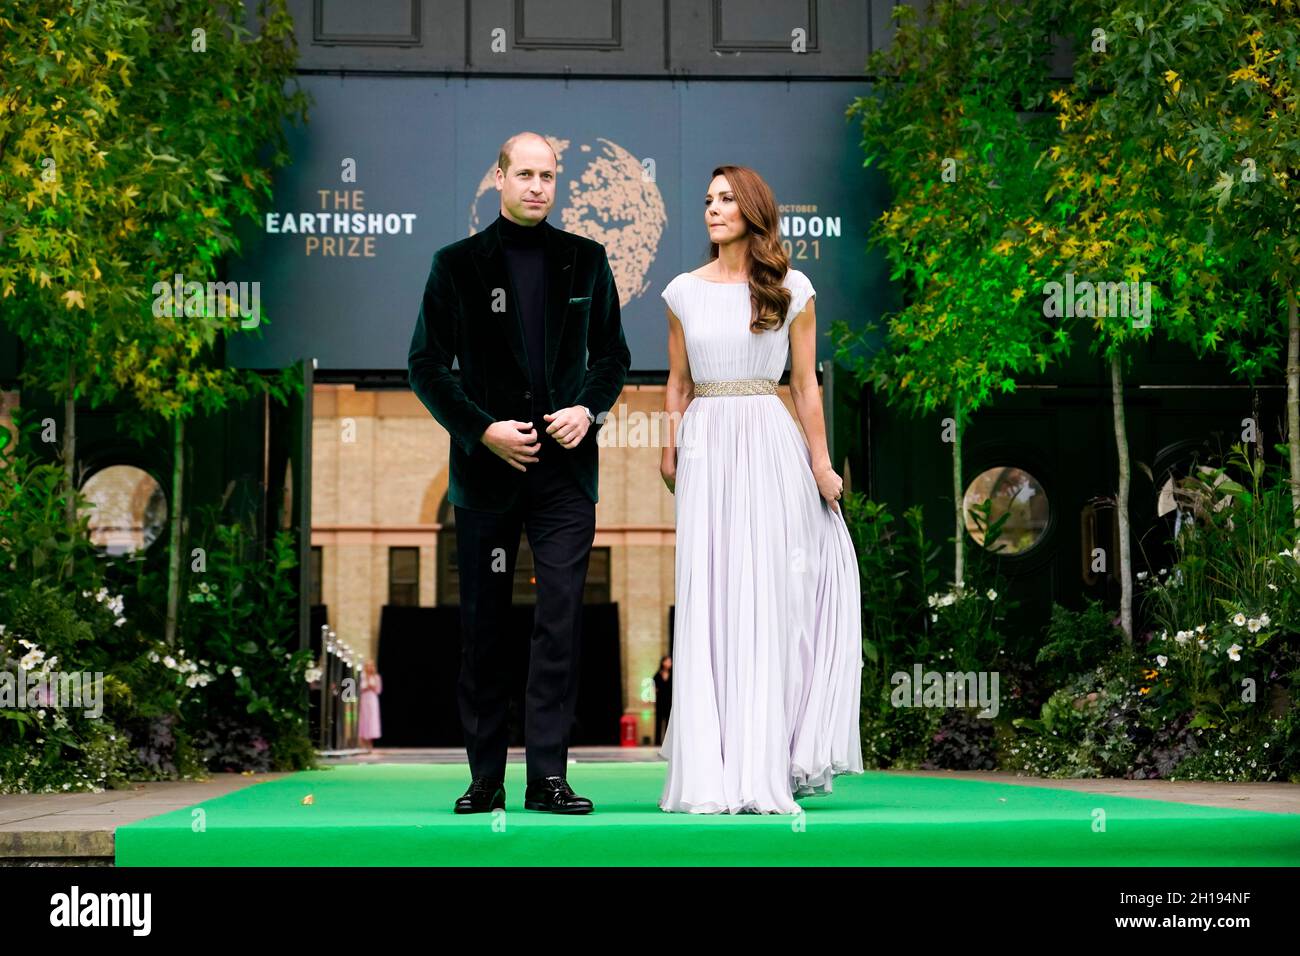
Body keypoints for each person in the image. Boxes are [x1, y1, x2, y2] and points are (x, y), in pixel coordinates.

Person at [408, 131, 631, 815]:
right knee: (484, 628)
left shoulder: (588, 262)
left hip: (566, 478)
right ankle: (485, 780)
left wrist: (587, 411)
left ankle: (548, 779)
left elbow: (612, 358)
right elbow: (424, 365)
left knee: (558, 623)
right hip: (486, 475)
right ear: (499, 178)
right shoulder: (456, 266)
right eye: (525, 173)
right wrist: (483, 429)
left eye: (548, 175)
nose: (537, 186)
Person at [657, 164, 866, 814]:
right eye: (707, 200)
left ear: (752, 209)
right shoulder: (681, 292)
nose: (712, 209)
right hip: (707, 447)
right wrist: (670, 445)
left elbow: (805, 386)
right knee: (711, 595)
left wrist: (822, 464)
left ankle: (769, 760)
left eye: (725, 199)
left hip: (770, 444)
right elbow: (678, 383)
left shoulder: (792, 288)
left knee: (774, 596)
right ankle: (712, 770)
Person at [358, 659, 382, 752]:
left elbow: (378, 690)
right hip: (364, 698)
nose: (369, 667)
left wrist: (372, 687)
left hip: (372, 699)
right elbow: (358, 688)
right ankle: (362, 742)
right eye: (367, 665)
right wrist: (366, 686)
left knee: (372, 719)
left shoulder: (376, 677)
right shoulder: (362, 676)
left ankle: (370, 743)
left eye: (371, 665)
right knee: (364, 718)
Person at [653, 655, 672, 745]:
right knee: (659, 722)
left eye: (670, 662)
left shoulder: (672, 675)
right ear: (663, 662)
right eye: (668, 661)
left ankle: (667, 742)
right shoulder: (657, 675)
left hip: (669, 701)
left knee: (668, 722)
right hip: (660, 701)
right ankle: (657, 742)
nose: (669, 663)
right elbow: (655, 688)